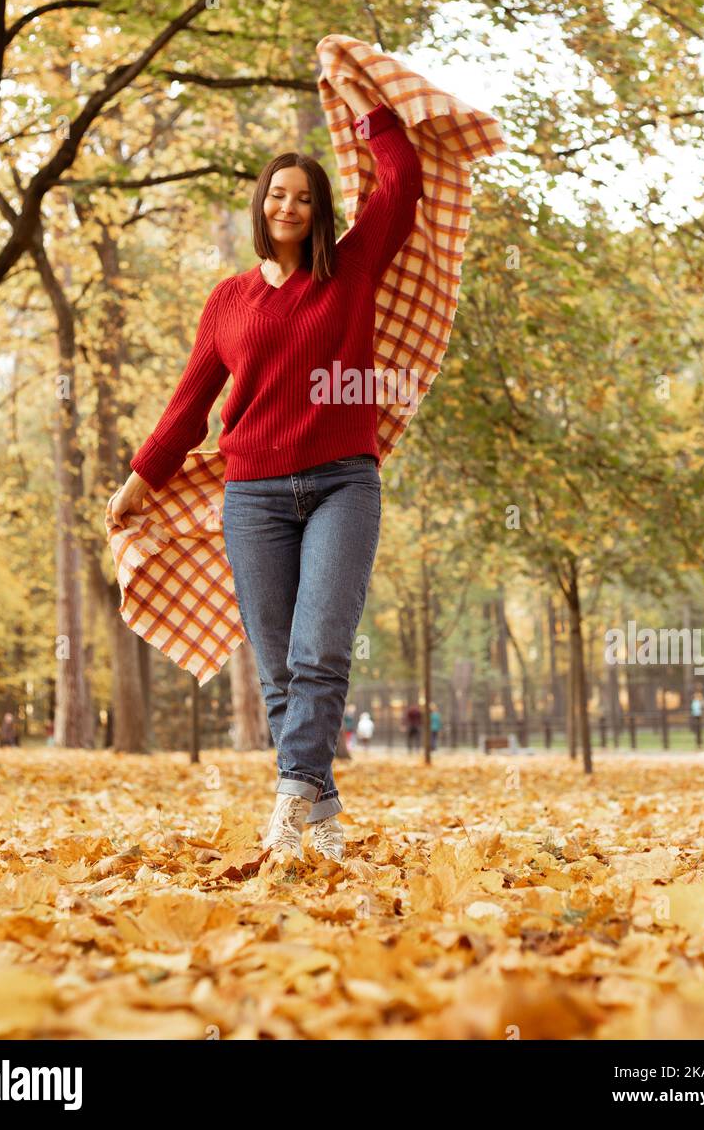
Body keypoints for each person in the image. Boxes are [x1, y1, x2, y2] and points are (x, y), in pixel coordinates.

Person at [109, 79, 423, 865]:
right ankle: (322, 822)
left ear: (319, 211)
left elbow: (403, 183)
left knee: (321, 650)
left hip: (343, 483)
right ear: (262, 205)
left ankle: (286, 808)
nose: (288, 205)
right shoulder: (230, 301)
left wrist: (369, 107)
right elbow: (189, 408)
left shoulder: (349, 271)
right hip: (251, 497)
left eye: (304, 196)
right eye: (277, 194)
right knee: (279, 669)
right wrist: (138, 480)